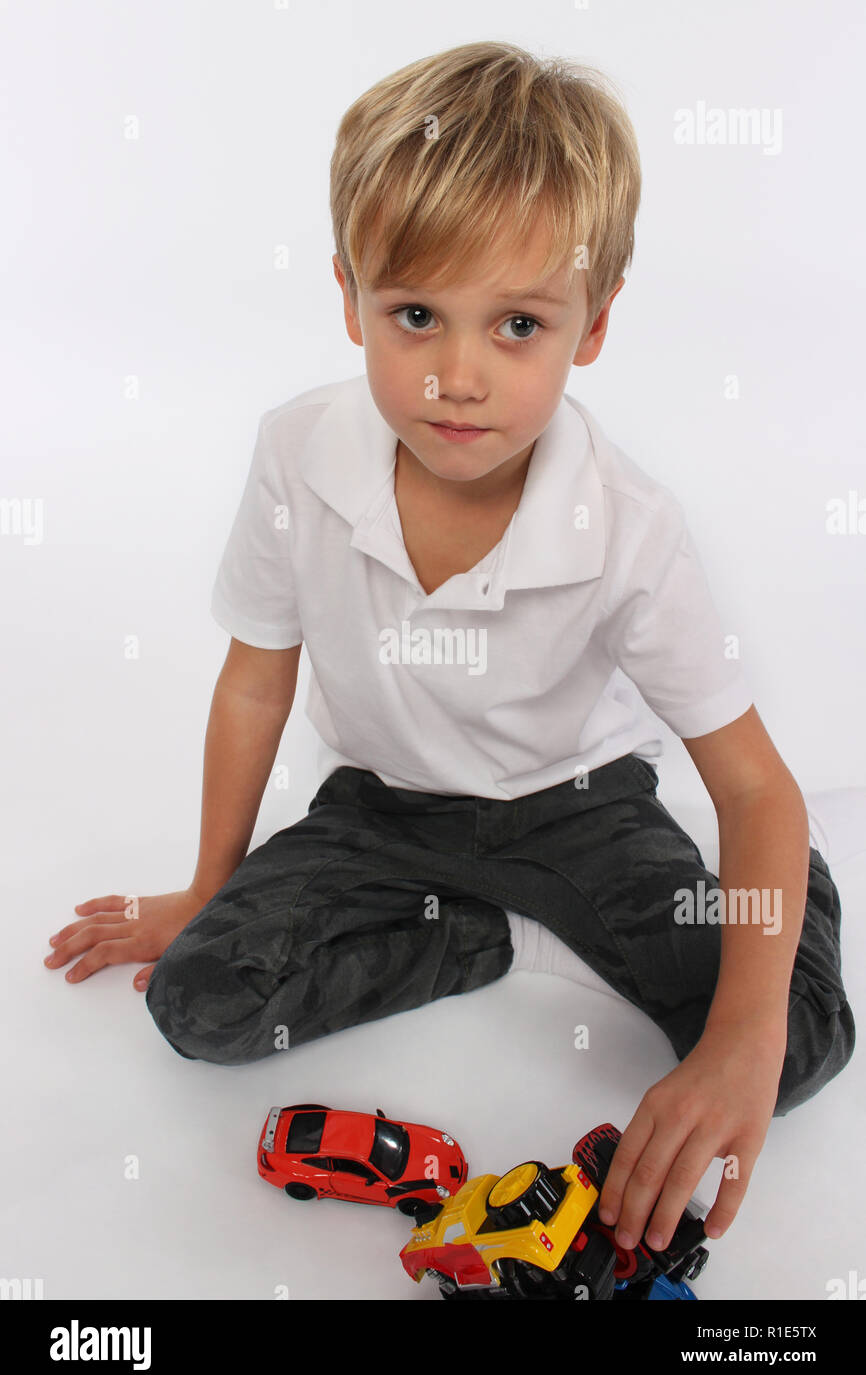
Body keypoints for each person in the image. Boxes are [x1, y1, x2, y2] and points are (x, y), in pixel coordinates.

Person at [44, 41, 857, 1262]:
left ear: (589, 327)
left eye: (517, 324)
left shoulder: (627, 526)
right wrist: (211, 883)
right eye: (414, 314)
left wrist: (736, 1039)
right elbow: (254, 673)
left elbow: (749, 784)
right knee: (200, 1005)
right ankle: (470, 929)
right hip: (384, 810)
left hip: (576, 808)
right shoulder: (296, 455)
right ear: (348, 295)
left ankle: (786, 906)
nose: (456, 375)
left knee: (779, 1045)